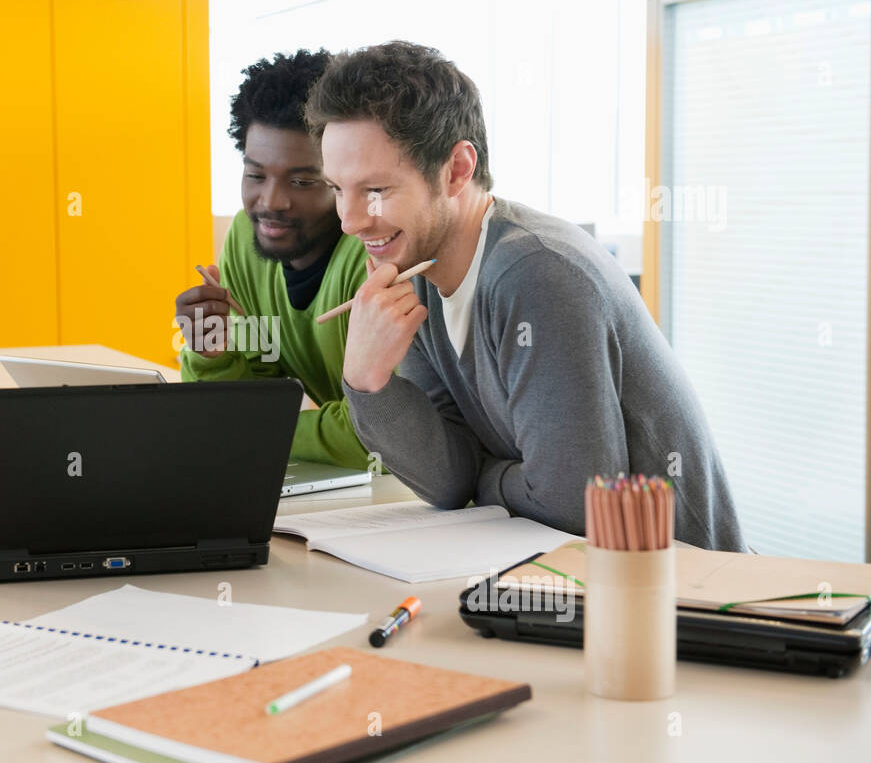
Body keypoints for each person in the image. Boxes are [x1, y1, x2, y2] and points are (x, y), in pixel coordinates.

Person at [307, 41, 744, 551]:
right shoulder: (416, 272)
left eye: (375, 190)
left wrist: (481, 477)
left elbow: (573, 507)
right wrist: (366, 381)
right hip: (570, 579)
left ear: (456, 170)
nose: (350, 219)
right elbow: (446, 482)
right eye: (338, 189)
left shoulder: (536, 274)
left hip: (679, 595)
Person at [176, 49, 371, 470]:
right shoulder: (248, 237)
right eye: (255, 175)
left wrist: (258, 428)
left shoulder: (374, 253)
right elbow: (245, 397)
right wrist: (212, 353)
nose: (270, 202)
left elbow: (379, 436)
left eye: (302, 181)